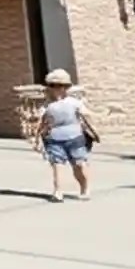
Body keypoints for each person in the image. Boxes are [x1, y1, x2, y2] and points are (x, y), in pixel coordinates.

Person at [39, 68, 94, 202]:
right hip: (54, 138)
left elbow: (87, 115)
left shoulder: (74, 102)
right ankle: (58, 192)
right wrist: (38, 135)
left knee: (79, 165)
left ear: (66, 87)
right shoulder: (47, 104)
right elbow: (40, 120)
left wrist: (92, 129)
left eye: (60, 86)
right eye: (52, 85)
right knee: (57, 164)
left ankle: (85, 188)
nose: (56, 88)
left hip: (75, 137)